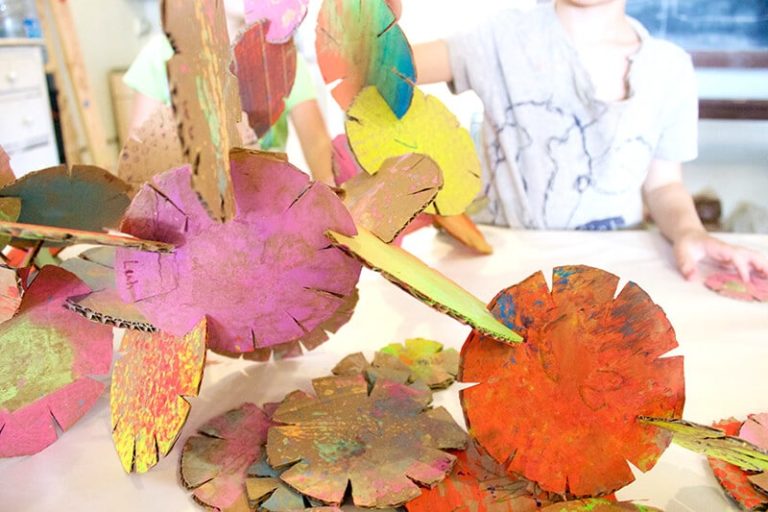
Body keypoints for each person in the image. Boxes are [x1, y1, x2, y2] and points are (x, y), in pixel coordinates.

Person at [391, 0, 767, 282]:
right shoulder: (496, 39)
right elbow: (388, 68)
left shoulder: (670, 69)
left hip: (611, 273)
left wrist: (689, 232)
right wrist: (374, 17)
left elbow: (664, 185)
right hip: (500, 269)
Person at [123, 4, 335, 186]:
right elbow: (141, 159)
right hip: (189, 208)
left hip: (266, 205)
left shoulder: (284, 59)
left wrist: (333, 197)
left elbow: (317, 145)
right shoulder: (160, 54)